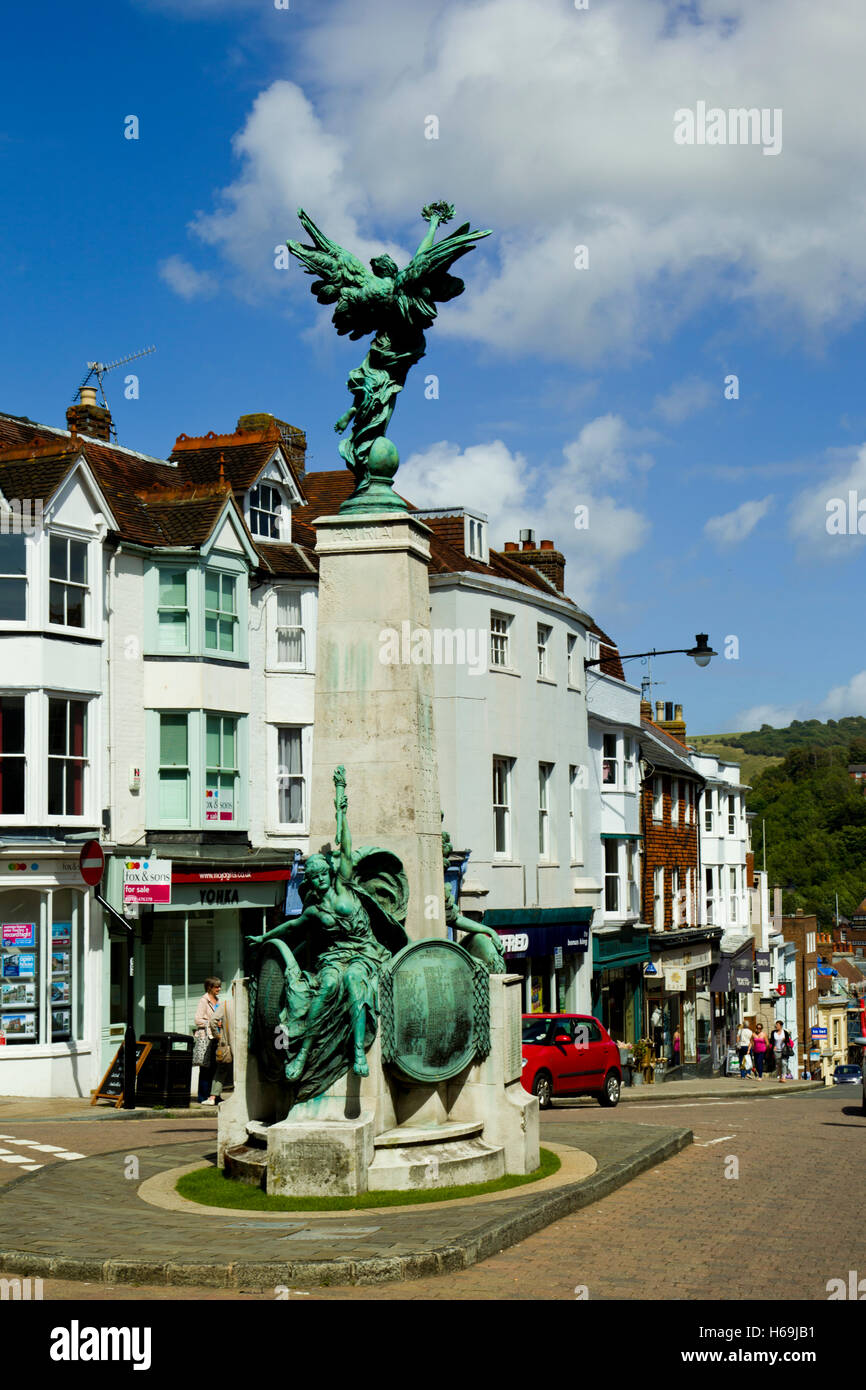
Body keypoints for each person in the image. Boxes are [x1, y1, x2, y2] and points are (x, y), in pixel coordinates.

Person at [194, 977, 221, 1104]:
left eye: (219, 986)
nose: (219, 989)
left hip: (216, 1037)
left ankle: (214, 1095)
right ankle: (203, 1096)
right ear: (210, 987)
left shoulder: (218, 1001)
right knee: (205, 1068)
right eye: (216, 987)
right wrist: (212, 1023)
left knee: (216, 1067)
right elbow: (198, 1020)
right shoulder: (204, 1001)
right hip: (206, 1037)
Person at [207, 990, 233, 1106]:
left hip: (226, 1042)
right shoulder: (248, 1004)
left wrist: (218, 1036)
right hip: (243, 1043)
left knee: (221, 1069)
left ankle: (212, 1097)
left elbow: (212, 1020)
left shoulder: (226, 1004)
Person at [770, 1019, 792, 1083]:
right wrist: (773, 1047)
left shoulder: (785, 1032)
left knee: (784, 1063)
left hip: (783, 1050)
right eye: (776, 1025)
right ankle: (780, 1076)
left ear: (781, 1026)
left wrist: (784, 1039)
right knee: (778, 1064)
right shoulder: (773, 1032)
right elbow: (771, 1041)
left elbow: (788, 1041)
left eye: (777, 1025)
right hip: (776, 1050)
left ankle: (784, 1077)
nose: (776, 1026)